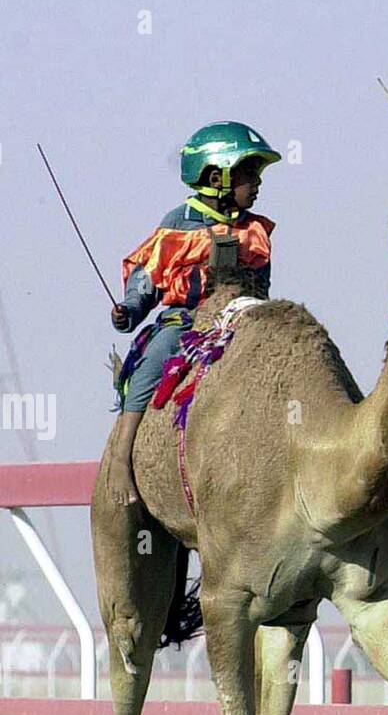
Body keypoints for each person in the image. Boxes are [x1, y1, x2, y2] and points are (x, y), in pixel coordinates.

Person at [108, 121, 281, 504]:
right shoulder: (177, 224)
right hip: (185, 324)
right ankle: (121, 457)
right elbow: (147, 277)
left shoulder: (256, 230)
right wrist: (130, 310)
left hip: (239, 323)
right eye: (249, 173)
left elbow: (262, 289)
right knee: (152, 362)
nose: (257, 183)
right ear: (216, 174)